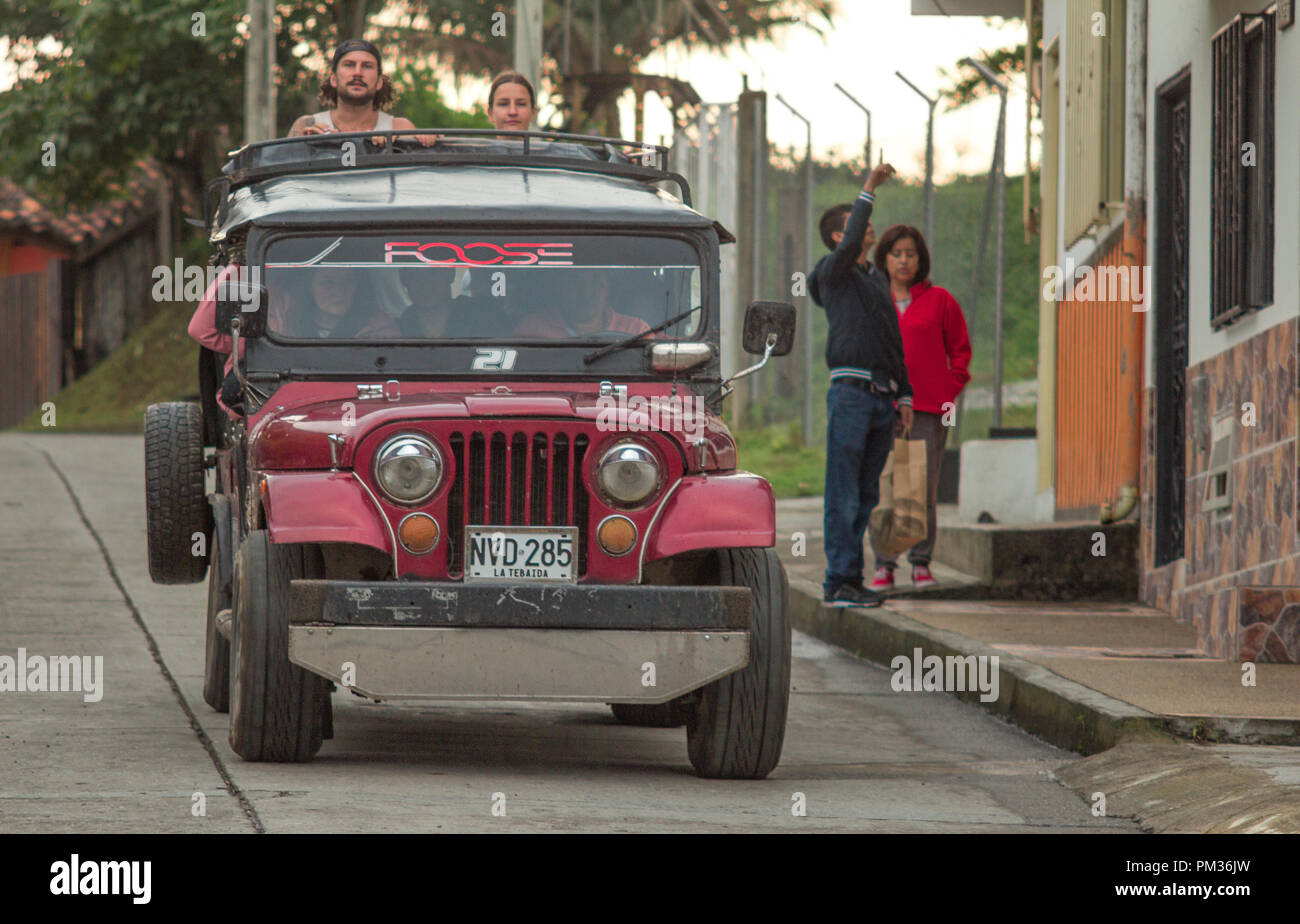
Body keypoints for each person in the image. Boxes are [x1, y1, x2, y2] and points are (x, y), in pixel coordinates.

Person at [809, 161, 913, 609]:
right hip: (849, 395)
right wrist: (868, 187)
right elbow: (852, 243)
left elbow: (893, 338)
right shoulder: (830, 275)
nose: (868, 231)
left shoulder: (874, 282)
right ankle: (838, 583)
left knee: (866, 494)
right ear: (840, 237)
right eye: (859, 225)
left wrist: (904, 394)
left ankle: (852, 580)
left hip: (880, 398)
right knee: (844, 493)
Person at [869, 225, 971, 591]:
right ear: (884, 258)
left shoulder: (940, 300)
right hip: (881, 406)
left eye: (910, 253)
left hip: (928, 408)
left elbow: (960, 352)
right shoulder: (874, 299)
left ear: (920, 259)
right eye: (896, 253)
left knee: (920, 486)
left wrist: (948, 392)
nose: (903, 260)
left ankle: (920, 561)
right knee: (885, 486)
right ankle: (884, 563)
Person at [287, 39, 436, 146]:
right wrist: (310, 145)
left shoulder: (399, 128)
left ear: (379, 82)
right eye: (349, 65)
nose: (357, 73)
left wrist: (429, 140)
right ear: (333, 79)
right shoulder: (308, 126)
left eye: (367, 66)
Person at [514, 270, 650, 338]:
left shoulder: (636, 331)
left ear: (608, 287)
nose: (586, 292)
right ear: (561, 288)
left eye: (595, 280)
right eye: (576, 281)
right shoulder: (532, 330)